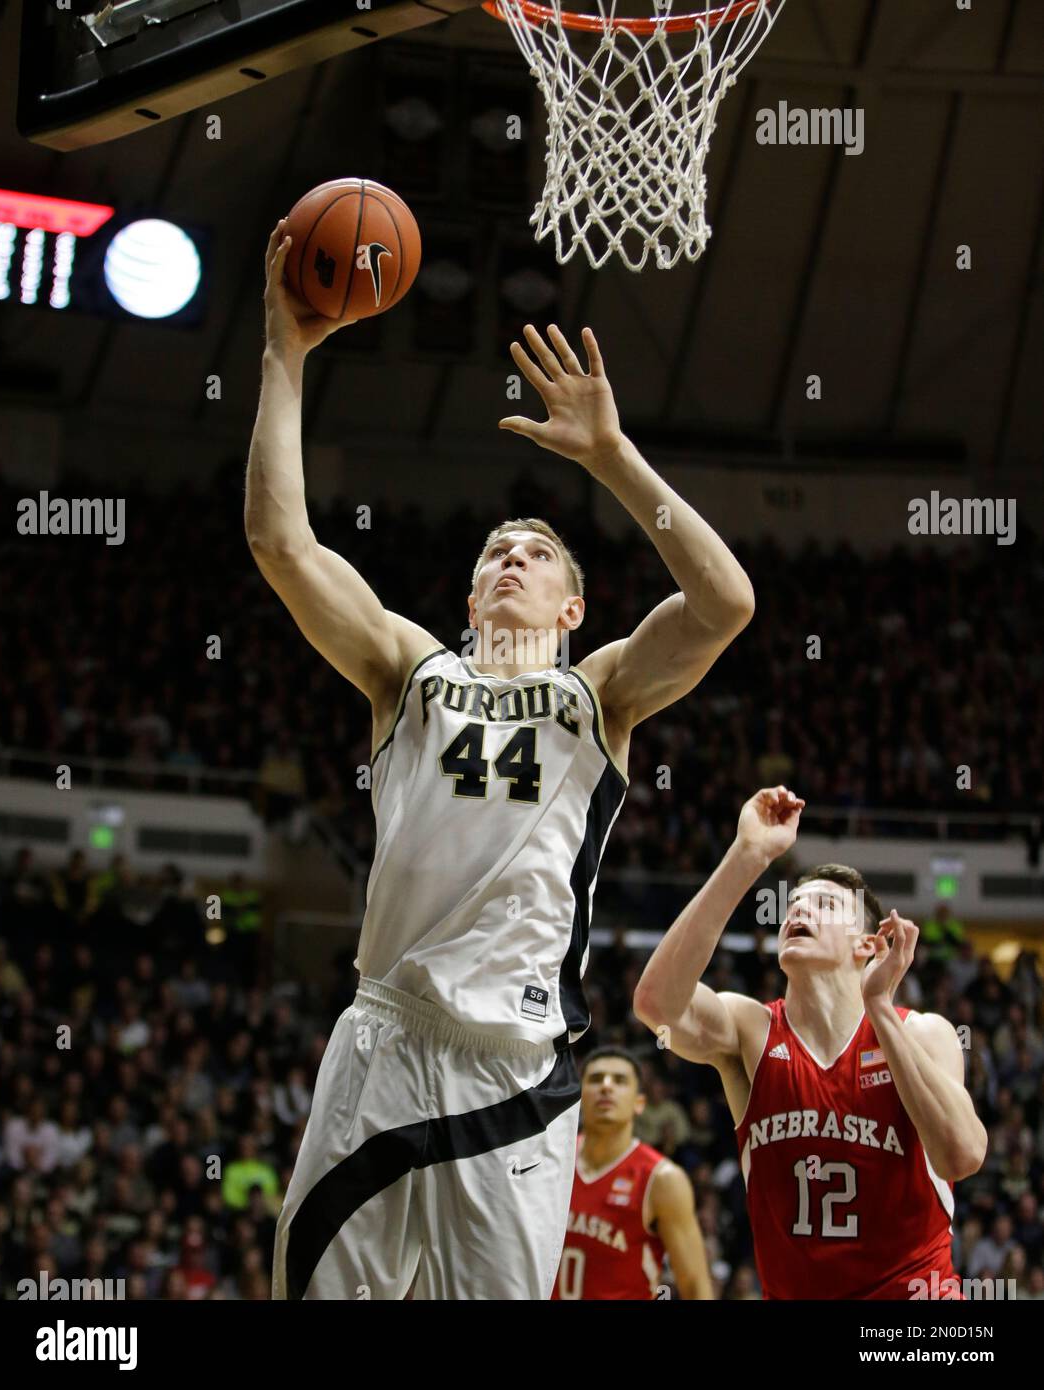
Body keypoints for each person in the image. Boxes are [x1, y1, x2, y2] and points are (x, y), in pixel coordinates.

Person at [249, 219, 755, 1300]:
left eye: (535, 554)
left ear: (572, 606)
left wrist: (612, 458)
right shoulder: (406, 669)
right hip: (383, 1032)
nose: (510, 560)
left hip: (519, 1071)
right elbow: (282, 546)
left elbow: (724, 602)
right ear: (469, 597)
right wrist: (284, 353)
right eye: (494, 555)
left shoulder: (600, 690)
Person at [634, 786, 988, 1300]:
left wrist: (881, 1010)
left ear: (867, 945)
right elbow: (656, 1006)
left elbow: (962, 1156)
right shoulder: (751, 1030)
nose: (799, 910)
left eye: (824, 905)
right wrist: (748, 855)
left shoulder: (921, 1031)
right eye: (794, 903)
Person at [552, 1048, 712, 1300]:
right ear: (579, 1095)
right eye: (595, 1079)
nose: (606, 1087)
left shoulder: (662, 1179)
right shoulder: (550, 1162)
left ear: (639, 1103)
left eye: (619, 1081)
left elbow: (695, 1285)